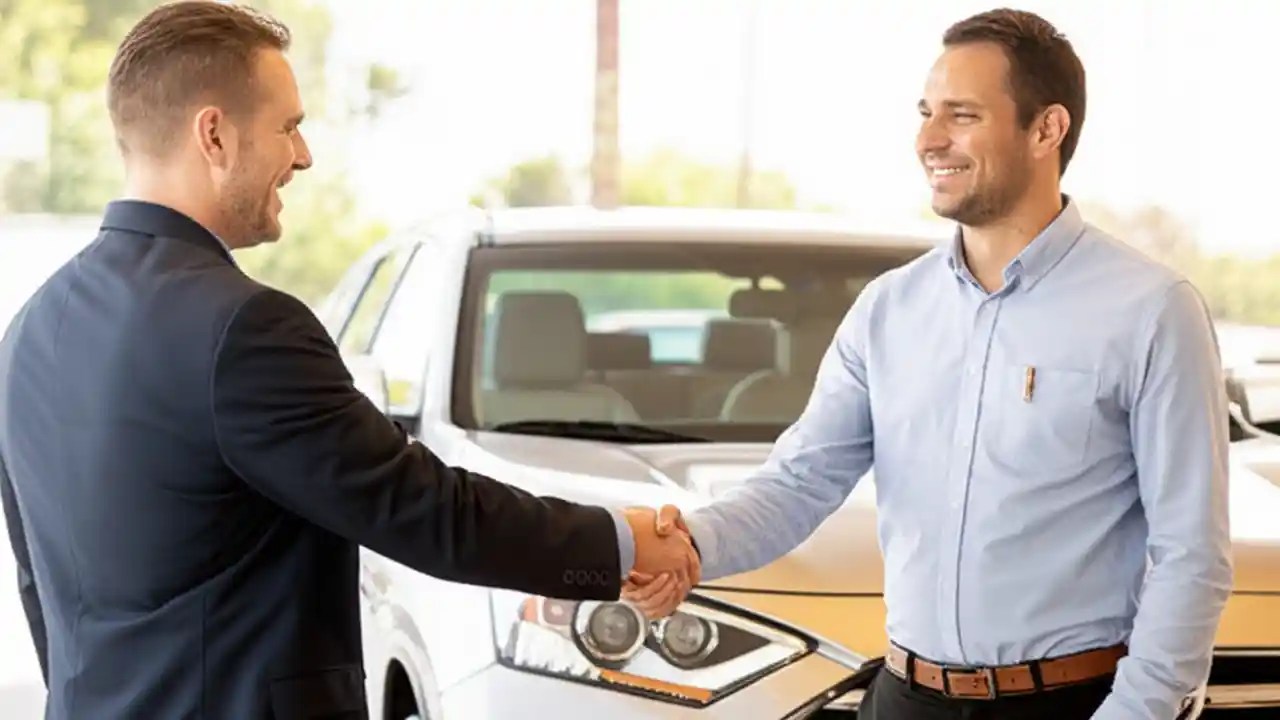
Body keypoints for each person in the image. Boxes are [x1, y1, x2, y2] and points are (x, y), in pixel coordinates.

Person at [0, 2, 697, 718]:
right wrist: (621, 543)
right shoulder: (243, 328)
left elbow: (41, 591)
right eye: (289, 127)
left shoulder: (28, 333)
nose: (302, 156)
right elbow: (424, 510)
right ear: (213, 134)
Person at [624, 8, 1231, 720]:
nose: (928, 140)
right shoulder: (888, 311)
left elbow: (1192, 554)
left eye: (961, 115)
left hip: (1071, 704)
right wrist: (691, 546)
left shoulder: (1152, 309)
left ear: (1047, 129)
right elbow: (800, 481)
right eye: (925, 112)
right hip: (903, 701)